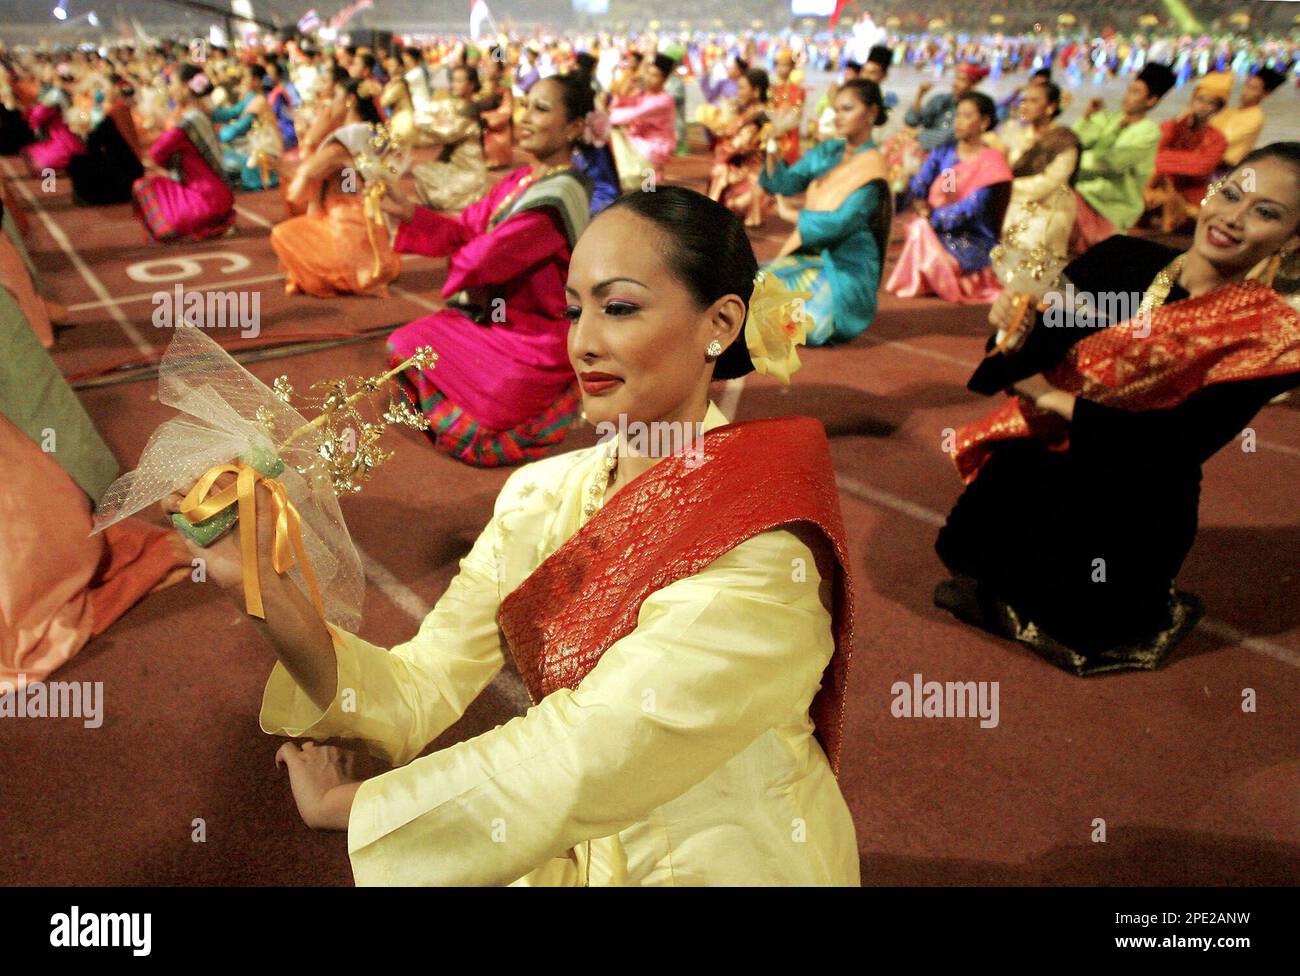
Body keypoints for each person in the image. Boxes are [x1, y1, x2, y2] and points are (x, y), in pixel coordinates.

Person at [165, 185, 859, 886]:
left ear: (720, 323)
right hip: (566, 840)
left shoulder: (766, 544)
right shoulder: (542, 495)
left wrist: (354, 806)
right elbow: (418, 686)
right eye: (573, 309)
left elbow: (592, 754)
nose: (584, 341)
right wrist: (260, 584)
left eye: (619, 308)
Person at [935, 143, 1300, 676]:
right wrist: (1010, 326)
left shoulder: (1270, 337)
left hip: (1135, 488)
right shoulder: (1120, 257)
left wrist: (1051, 396)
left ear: (1291, 243)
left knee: (1087, 622)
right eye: (1232, 194)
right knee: (980, 559)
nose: (1233, 218)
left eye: (1266, 213)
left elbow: (1178, 445)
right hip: (1047, 455)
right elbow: (1029, 350)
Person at [383, 74, 597, 467]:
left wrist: (461, 259)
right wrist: (410, 212)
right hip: (497, 323)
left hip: (536, 339)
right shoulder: (520, 180)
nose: (526, 117)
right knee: (404, 345)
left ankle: (549, 397)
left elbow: (482, 259)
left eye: (541, 109)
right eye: (526, 105)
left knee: (462, 403)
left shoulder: (555, 198)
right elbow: (466, 229)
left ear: (575, 127)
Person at [760, 79, 890, 345]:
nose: (836, 116)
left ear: (872, 113)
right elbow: (783, 184)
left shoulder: (873, 166)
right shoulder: (829, 151)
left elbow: (841, 223)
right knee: (752, 292)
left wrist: (790, 214)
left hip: (846, 267)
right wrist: (773, 147)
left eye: (846, 109)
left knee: (790, 321)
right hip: (812, 253)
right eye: (835, 109)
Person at [269, 77, 400, 298]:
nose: (329, 105)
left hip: (346, 226)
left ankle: (341, 272)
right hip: (365, 220)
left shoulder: (343, 141)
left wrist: (277, 161)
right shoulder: (365, 132)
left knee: (282, 234)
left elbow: (302, 183)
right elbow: (348, 180)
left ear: (349, 100)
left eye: (334, 98)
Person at [886, 92, 1012, 304]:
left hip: (969, 236)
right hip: (937, 224)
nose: (959, 121)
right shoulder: (946, 152)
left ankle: (926, 279)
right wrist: (919, 202)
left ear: (984, 122)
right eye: (957, 115)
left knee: (920, 229)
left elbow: (973, 207)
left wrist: (933, 217)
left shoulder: (991, 161)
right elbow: (922, 183)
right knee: (918, 226)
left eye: (967, 116)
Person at [1071, 62, 1175, 251]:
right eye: (1129, 90)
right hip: (1085, 192)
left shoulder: (1148, 132)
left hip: (1110, 206)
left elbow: (1110, 163)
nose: (1127, 97)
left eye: (1135, 92)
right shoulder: (1113, 119)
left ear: (1151, 101)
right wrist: (1087, 117)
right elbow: (1077, 141)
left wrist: (1070, 162)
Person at [131, 65, 235, 243]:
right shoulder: (200, 114)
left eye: (173, 83)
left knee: (142, 185)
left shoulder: (186, 123)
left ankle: (171, 227)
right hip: (221, 196)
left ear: (186, 87)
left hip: (205, 198)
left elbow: (157, 153)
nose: (171, 89)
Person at [997, 81, 1079, 271]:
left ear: (1050, 107)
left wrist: (1007, 187)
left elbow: (1049, 182)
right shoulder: (1014, 133)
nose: (1024, 105)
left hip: (1050, 206)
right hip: (1013, 200)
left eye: (1033, 101)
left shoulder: (1064, 141)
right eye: (1023, 100)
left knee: (1030, 235)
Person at [1142, 72, 1230, 232]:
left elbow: (1200, 168)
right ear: (1192, 100)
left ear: (1218, 109)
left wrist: (1164, 162)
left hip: (1188, 198)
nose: (1203, 106)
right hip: (1155, 188)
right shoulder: (1172, 127)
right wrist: (1177, 123)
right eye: (1200, 100)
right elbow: (1153, 153)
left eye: (1210, 103)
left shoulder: (1217, 139)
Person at [410, 64, 489, 212]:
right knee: (421, 171)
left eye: (460, 81)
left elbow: (448, 133)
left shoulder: (469, 111)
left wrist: (425, 124)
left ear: (471, 85)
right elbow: (432, 110)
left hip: (469, 172)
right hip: (454, 165)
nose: (454, 85)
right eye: (453, 80)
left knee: (441, 195)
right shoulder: (453, 104)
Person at [706, 68, 771, 228]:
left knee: (720, 169)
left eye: (742, 88)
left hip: (750, 174)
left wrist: (720, 137)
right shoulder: (748, 112)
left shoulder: (760, 117)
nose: (738, 92)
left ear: (756, 90)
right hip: (740, 168)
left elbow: (739, 146)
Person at [67, 75, 144, 206]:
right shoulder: (124, 112)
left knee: (77, 161)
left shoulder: (114, 113)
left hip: (123, 173)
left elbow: (93, 142)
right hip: (134, 169)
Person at [212, 64, 283, 192]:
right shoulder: (251, 97)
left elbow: (238, 129)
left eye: (245, 77)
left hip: (264, 150)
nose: (242, 81)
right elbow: (231, 113)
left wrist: (213, 135)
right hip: (253, 145)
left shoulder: (260, 101)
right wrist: (207, 109)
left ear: (256, 81)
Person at [607, 52, 677, 182]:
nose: (649, 78)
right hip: (641, 142)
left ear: (664, 79)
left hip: (653, 148)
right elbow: (621, 105)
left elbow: (631, 114)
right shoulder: (645, 94)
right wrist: (626, 90)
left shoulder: (663, 100)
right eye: (648, 73)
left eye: (654, 75)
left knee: (647, 189)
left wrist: (604, 116)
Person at [1210, 65, 1286, 172]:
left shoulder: (1255, 118)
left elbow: (1222, 140)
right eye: (1247, 85)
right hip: (1210, 161)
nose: (1245, 92)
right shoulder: (1230, 111)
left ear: (1265, 94)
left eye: (1253, 88)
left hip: (1223, 169)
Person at [476, 48, 514, 168]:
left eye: (491, 66)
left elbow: (506, 112)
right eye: (486, 65)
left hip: (495, 133)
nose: (487, 69)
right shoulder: (479, 89)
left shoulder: (503, 91)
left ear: (499, 71)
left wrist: (484, 118)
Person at [768, 49, 806, 165]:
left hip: (789, 133)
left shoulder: (798, 90)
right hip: (771, 129)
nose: (781, 68)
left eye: (785, 65)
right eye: (779, 65)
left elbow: (796, 112)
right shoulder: (771, 88)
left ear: (792, 67)